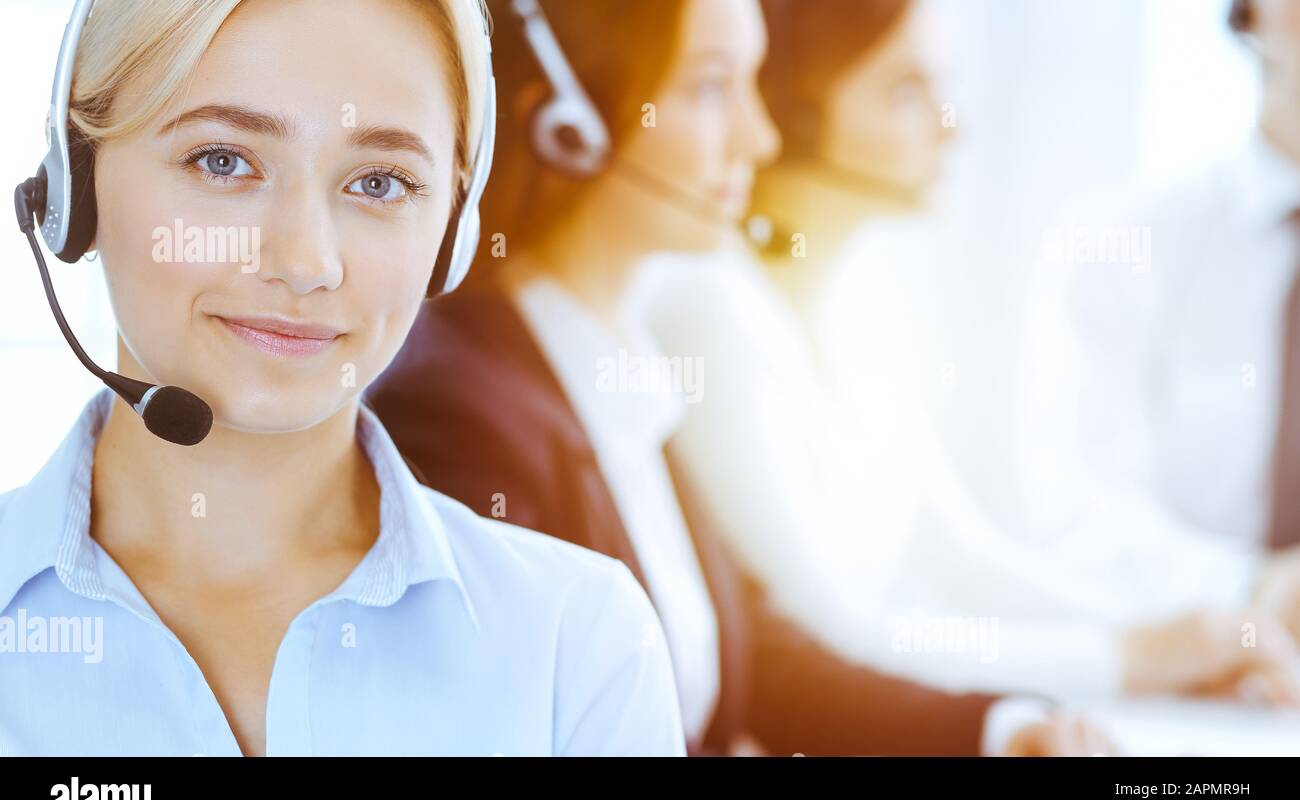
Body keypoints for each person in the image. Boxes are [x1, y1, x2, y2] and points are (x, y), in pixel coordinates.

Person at [369, 0, 1112, 756]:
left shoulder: (617, 361)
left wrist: (1001, 730)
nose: (760, 137)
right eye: (712, 88)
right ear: (569, 127)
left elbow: (757, 660)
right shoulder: (458, 409)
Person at [0, 0, 684, 757]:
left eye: (381, 183)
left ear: (453, 230)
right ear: (74, 185)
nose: (305, 261)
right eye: (223, 160)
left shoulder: (577, 646)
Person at [628, 0, 1300, 704]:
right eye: (906, 92)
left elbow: (958, 558)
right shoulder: (707, 307)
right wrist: (1125, 659)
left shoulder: (863, 299)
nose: (954, 127)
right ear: (791, 111)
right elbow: (842, 630)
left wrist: (1198, 638)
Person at [1022, 0, 1300, 643]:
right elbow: (1073, 509)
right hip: (1193, 712)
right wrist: (1252, 594)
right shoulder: (1119, 244)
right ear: (1249, 13)